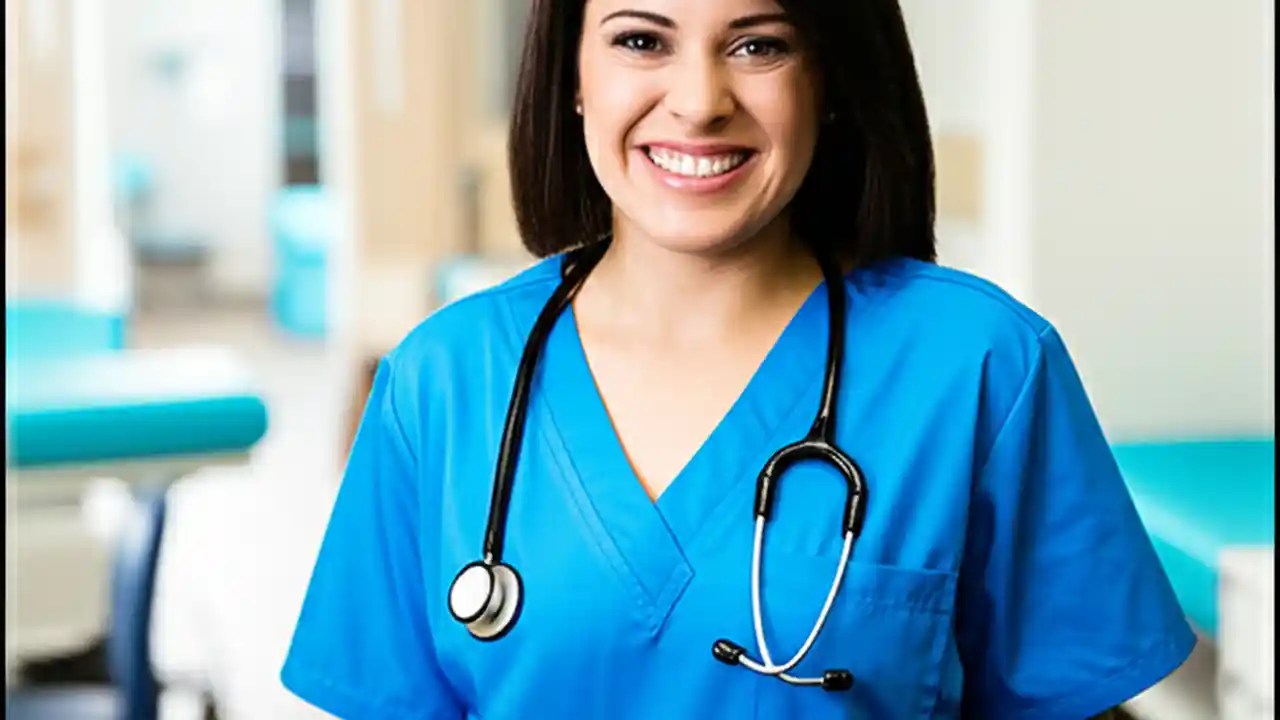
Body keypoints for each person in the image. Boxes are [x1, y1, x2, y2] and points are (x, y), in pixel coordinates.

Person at [280, 0, 1195, 717]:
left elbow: (1077, 706)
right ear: (572, 75)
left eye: (759, 45)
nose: (699, 100)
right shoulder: (445, 379)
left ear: (831, 75)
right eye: (641, 40)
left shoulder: (982, 368)